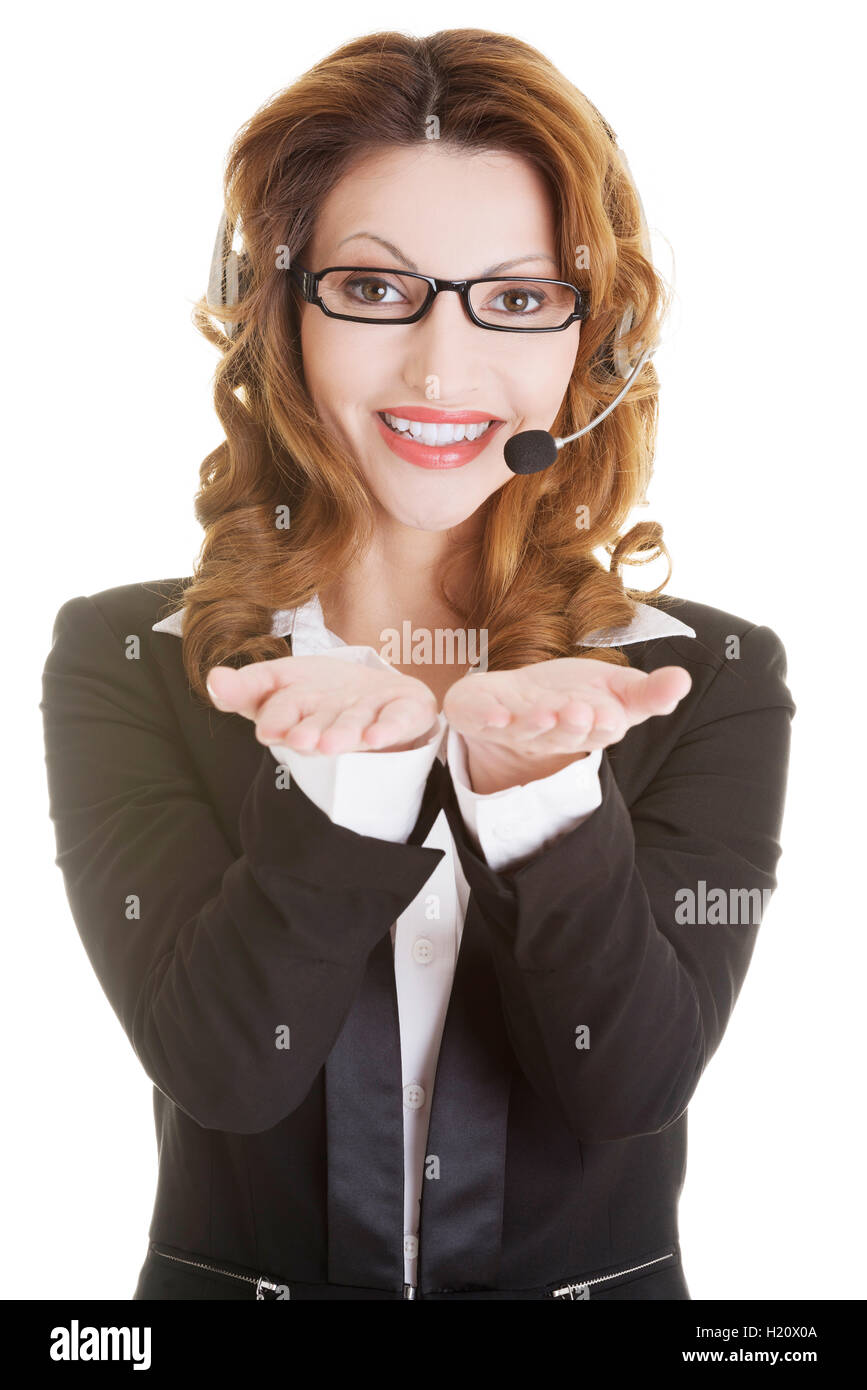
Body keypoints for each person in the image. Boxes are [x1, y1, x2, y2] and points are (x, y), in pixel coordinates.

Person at [40, 28, 795, 1300]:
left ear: (590, 342)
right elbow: (224, 1070)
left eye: (514, 297)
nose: (443, 368)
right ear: (281, 314)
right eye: (378, 290)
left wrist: (547, 794)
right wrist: (351, 786)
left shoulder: (704, 676)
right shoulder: (134, 659)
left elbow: (629, 1085)